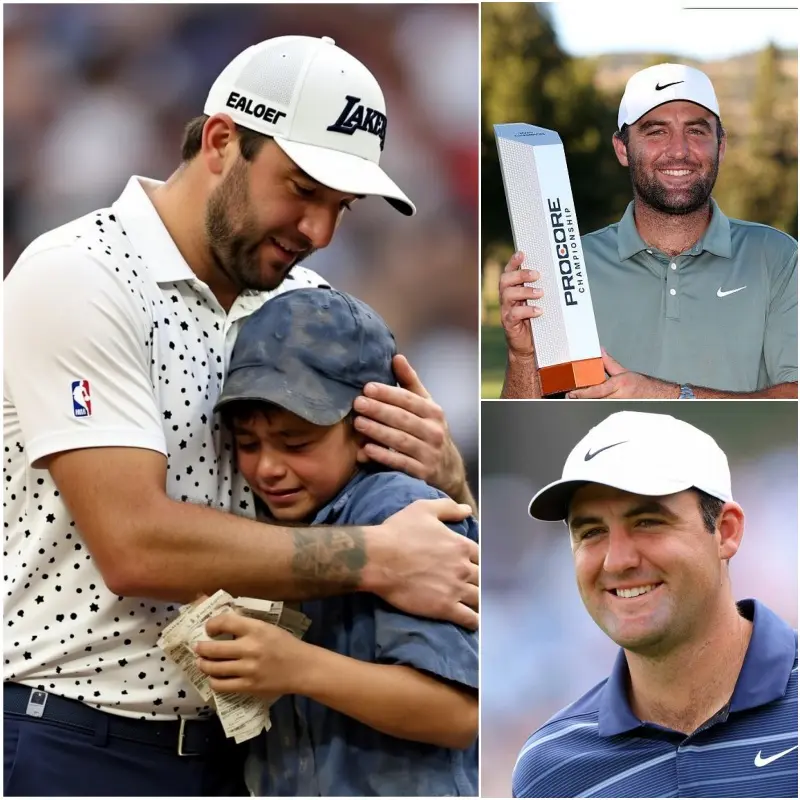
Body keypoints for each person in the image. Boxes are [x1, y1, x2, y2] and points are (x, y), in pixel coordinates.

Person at [3, 35, 478, 797]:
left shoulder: (311, 305)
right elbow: (133, 544)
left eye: (340, 207)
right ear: (222, 141)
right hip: (77, 733)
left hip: (254, 751)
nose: (319, 230)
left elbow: (427, 543)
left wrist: (443, 483)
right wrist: (377, 555)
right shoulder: (81, 274)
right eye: (301, 188)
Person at [193, 286, 478, 796]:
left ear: (372, 425)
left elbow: (458, 714)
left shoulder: (401, 509)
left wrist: (297, 667)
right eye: (247, 444)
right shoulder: (257, 522)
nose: (268, 468)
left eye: (296, 443)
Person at [512, 410, 798, 798]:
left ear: (726, 532)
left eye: (647, 522)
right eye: (592, 532)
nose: (617, 561)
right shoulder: (550, 771)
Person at [499, 63, 798, 399]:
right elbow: (529, 426)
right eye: (656, 131)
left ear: (721, 146)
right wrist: (522, 356)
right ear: (623, 149)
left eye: (697, 131)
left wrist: (669, 395)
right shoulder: (568, 265)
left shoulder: (777, 257)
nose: (679, 150)